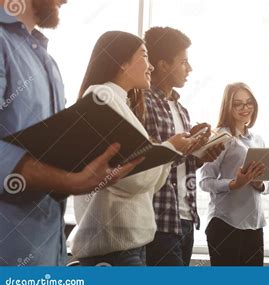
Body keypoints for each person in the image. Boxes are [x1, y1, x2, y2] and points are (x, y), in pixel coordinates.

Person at [0, 0, 141, 266]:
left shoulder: (46, 60)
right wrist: (69, 181)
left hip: (47, 254)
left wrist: (84, 168)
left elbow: (50, 146)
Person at [70, 31, 200, 266]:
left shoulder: (123, 103)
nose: (150, 67)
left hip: (129, 243)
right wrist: (170, 148)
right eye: (144, 57)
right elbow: (132, 177)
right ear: (121, 61)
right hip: (116, 245)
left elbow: (151, 181)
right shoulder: (103, 96)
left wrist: (167, 152)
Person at [143, 26, 224, 266]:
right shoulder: (144, 103)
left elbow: (180, 163)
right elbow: (147, 162)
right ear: (163, 64)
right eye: (184, 62)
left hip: (186, 219)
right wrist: (183, 148)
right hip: (159, 220)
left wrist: (201, 155)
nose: (189, 69)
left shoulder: (181, 110)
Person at [199, 82, 267, 266]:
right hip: (225, 224)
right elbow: (205, 181)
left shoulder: (258, 140)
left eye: (249, 102)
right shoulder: (221, 137)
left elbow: (265, 185)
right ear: (228, 106)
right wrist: (234, 184)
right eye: (238, 103)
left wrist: (259, 184)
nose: (245, 108)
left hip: (254, 224)